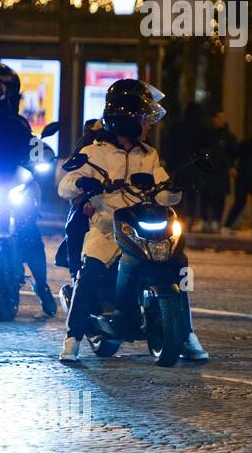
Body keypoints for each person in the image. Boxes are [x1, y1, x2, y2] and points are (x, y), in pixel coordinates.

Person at [56, 79, 207, 362]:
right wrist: (84, 183)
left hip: (141, 227)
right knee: (90, 271)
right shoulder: (95, 151)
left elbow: (163, 190)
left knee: (180, 265)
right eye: (143, 118)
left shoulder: (149, 155)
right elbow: (65, 185)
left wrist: (174, 189)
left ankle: (186, 334)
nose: (148, 125)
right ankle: (72, 337)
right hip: (105, 228)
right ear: (127, 119)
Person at [0, 62, 55, 315]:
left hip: (16, 186)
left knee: (29, 231)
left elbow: (33, 147)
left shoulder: (19, 124)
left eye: (4, 87)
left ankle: (41, 284)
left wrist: (44, 156)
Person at [224, 122, 252, 233]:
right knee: (240, 202)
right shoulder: (245, 144)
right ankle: (227, 226)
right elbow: (233, 155)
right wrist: (232, 167)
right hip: (243, 177)